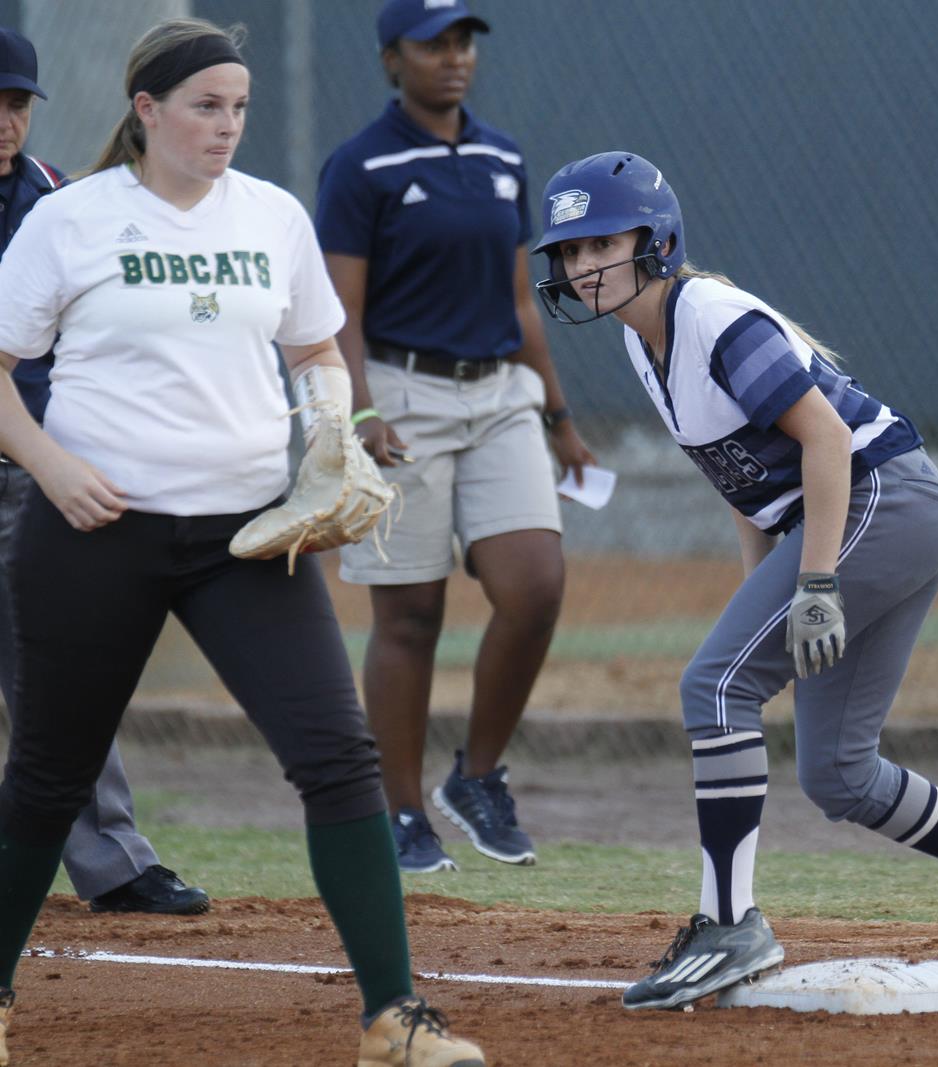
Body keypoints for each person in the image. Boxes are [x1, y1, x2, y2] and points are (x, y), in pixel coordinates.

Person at [0, 18, 483, 1064]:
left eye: (240, 108)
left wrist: (330, 431)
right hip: (97, 529)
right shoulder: (72, 219)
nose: (227, 126)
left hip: (249, 538)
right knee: (49, 774)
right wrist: (49, 464)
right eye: (206, 106)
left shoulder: (271, 215)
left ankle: (393, 1018)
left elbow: (316, 349)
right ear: (147, 111)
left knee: (338, 758)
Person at [531, 151, 938, 1010]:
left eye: (601, 243)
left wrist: (816, 583)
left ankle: (729, 922)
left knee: (714, 685)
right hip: (865, 513)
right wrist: (763, 601)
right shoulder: (644, 342)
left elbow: (826, 438)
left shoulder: (710, 318)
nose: (583, 266)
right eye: (570, 251)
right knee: (838, 772)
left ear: (658, 241)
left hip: (880, 498)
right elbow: (745, 487)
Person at [315, 0, 593, 875]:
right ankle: (401, 812)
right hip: (401, 393)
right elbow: (339, 313)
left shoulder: (502, 157)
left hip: (501, 394)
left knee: (536, 585)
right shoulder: (360, 165)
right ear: (392, 58)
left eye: (464, 40)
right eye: (434, 43)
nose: (455, 56)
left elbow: (520, 302)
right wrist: (361, 414)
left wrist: (559, 417)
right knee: (411, 614)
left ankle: (475, 777)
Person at [0, 25, 208, 918]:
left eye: (16, 104)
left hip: (32, 471)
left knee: (62, 673)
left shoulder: (58, 200)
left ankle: (114, 861)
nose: (5, 122)